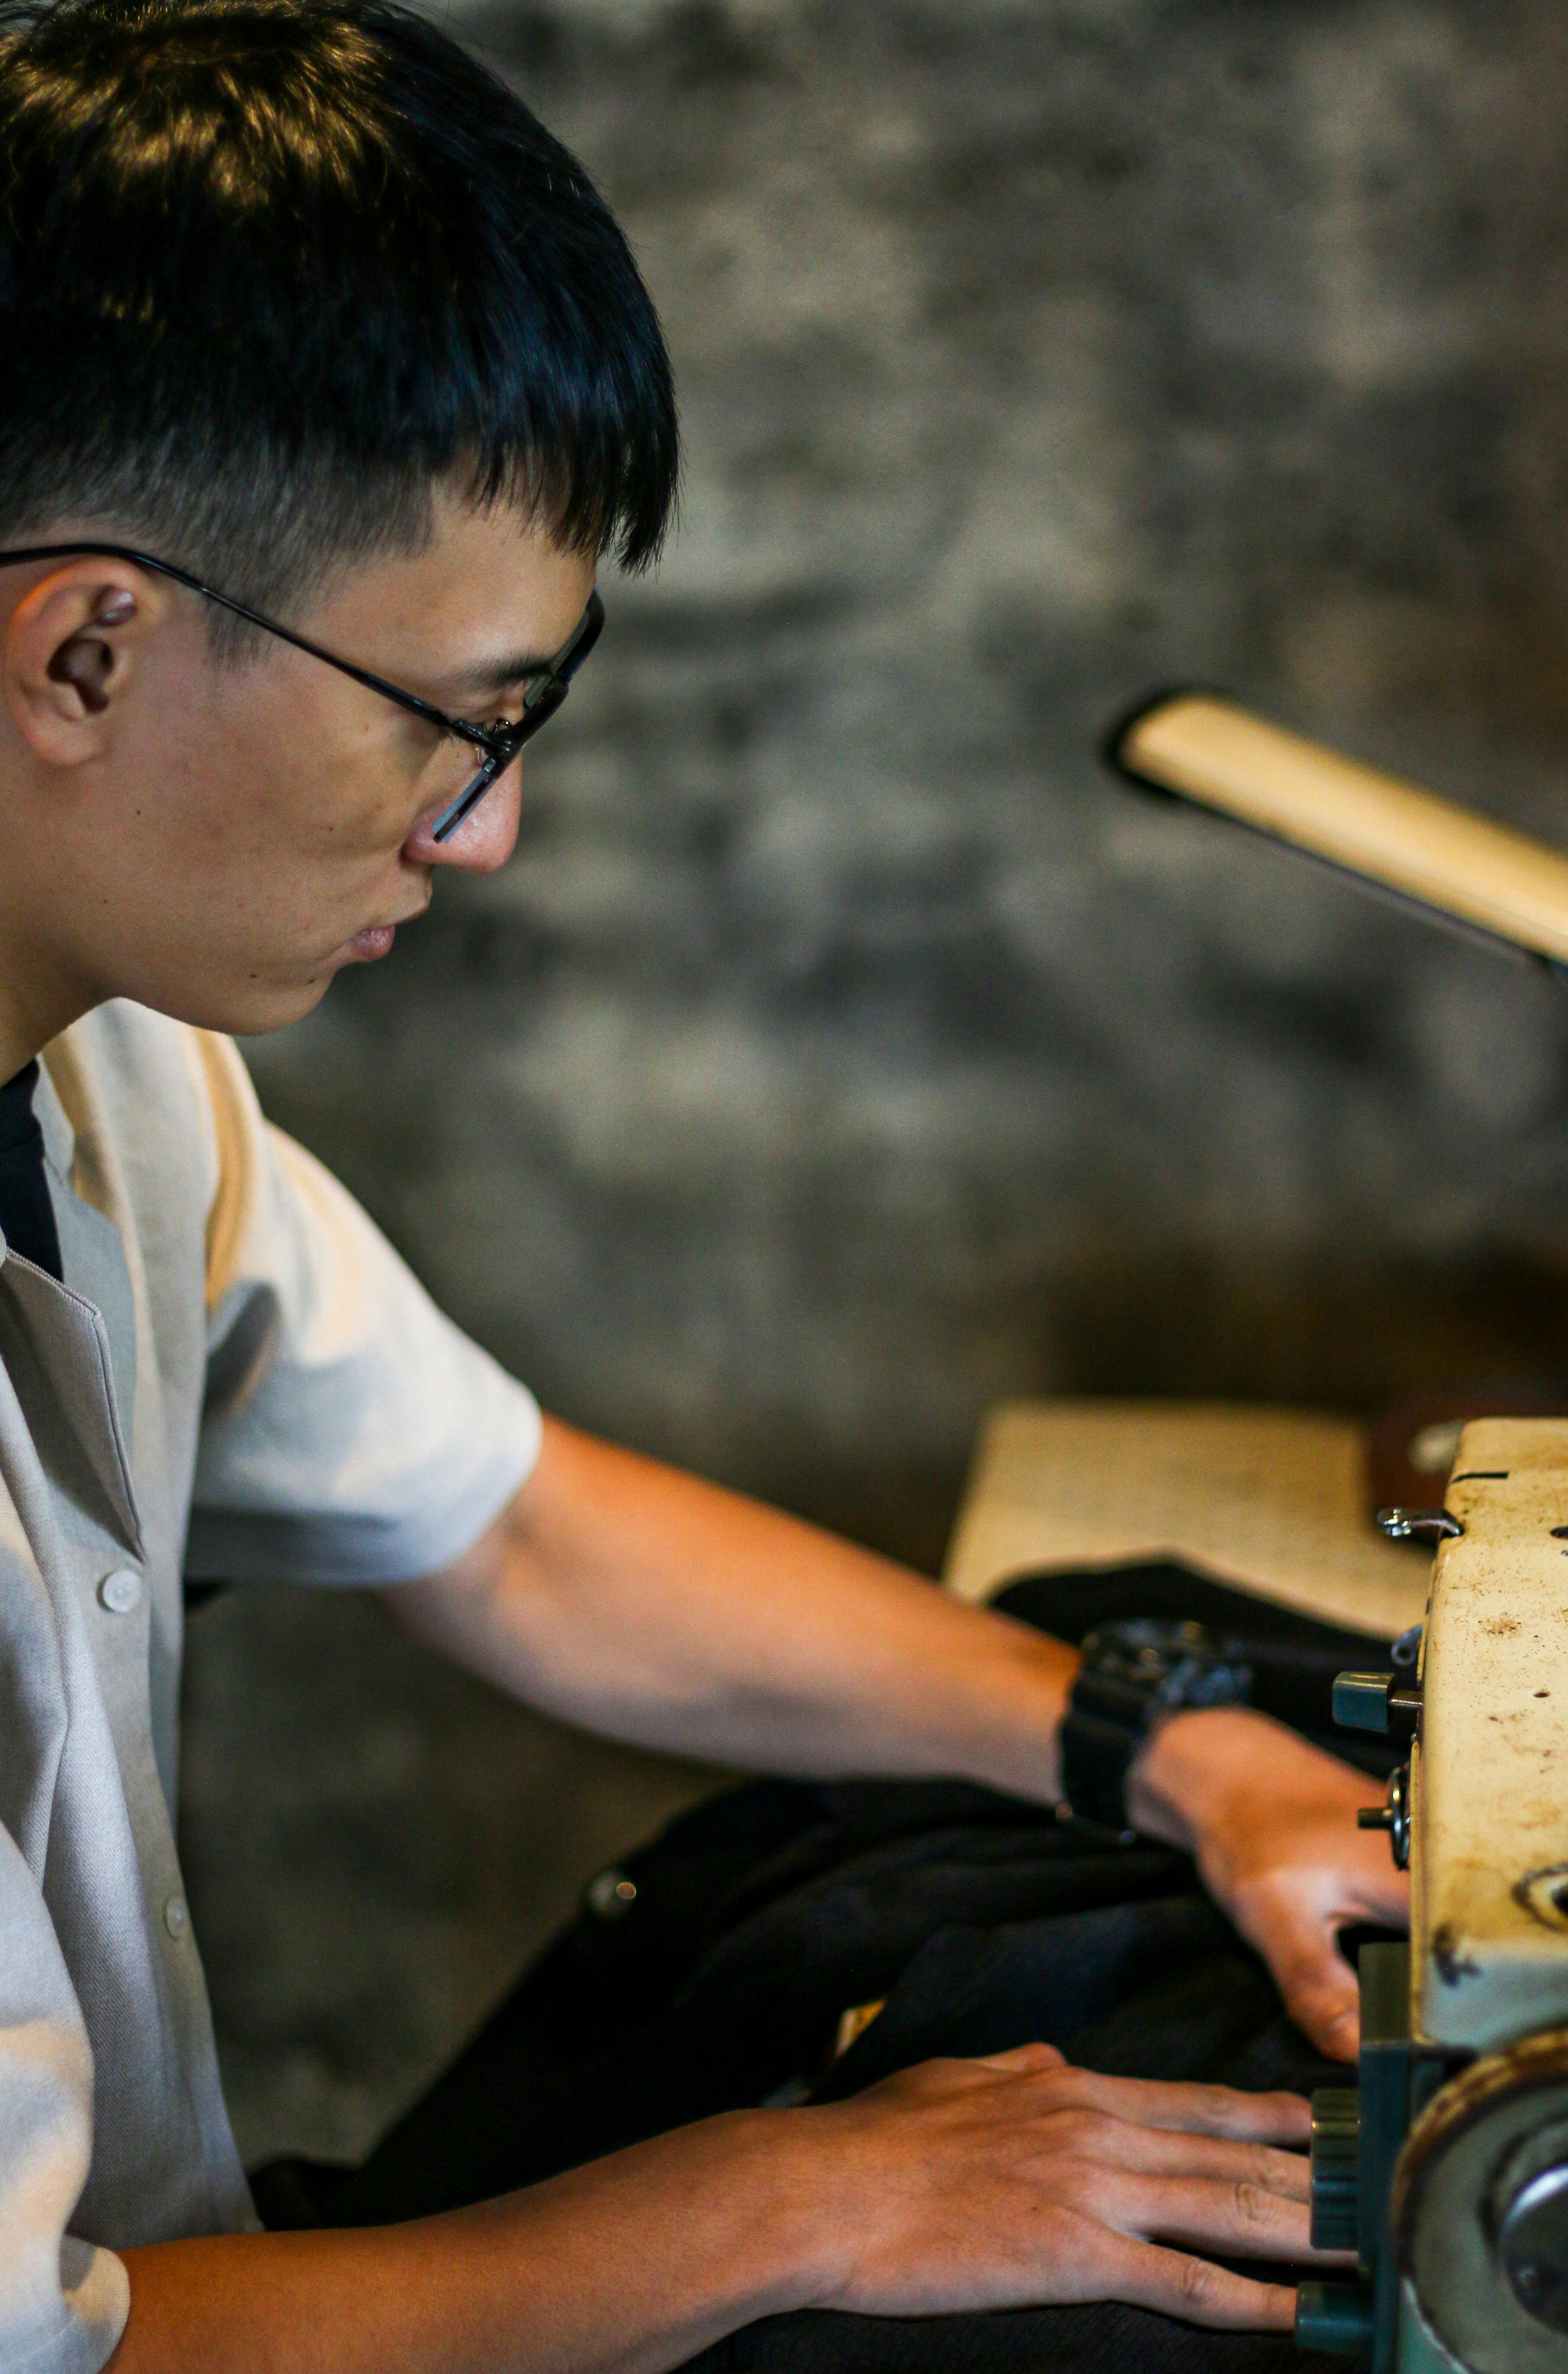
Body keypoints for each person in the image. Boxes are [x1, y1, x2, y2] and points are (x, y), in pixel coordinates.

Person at [0, 2, 1407, 2367]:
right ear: (89, 647)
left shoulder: (114, 1076)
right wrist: (802, 2202)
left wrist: (1157, 1740)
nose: (485, 829)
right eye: (460, 721)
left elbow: (512, 1529)